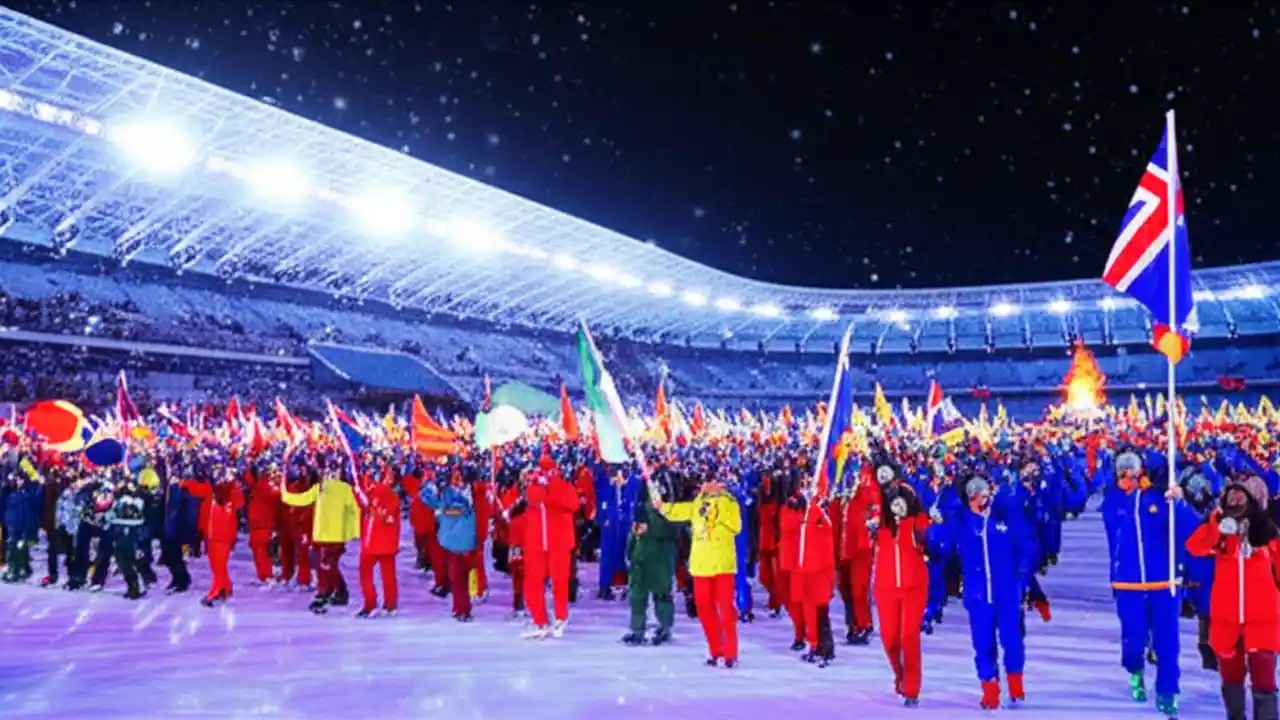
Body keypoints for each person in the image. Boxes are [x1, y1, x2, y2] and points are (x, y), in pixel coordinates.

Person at [1101, 449, 1198, 718]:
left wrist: (1177, 503)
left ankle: (1168, 690)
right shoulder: (1112, 502)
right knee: (1133, 640)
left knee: (1168, 641)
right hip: (1128, 585)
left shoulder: (1158, 498)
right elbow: (1116, 525)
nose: (1127, 479)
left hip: (1163, 583)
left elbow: (1189, 528)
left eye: (1132, 473)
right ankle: (1135, 670)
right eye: (1122, 474)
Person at [1186, 475, 1280, 720]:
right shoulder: (1221, 530)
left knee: (1263, 675)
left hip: (1263, 617)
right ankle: (1235, 715)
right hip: (1226, 617)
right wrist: (1215, 523)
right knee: (1231, 676)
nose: (1237, 504)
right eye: (1232, 498)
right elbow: (1195, 547)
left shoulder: (1268, 532)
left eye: (1241, 499)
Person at [957, 476, 1037, 709]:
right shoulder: (964, 522)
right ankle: (989, 689)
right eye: (975, 498)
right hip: (979, 596)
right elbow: (944, 536)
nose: (980, 502)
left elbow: (1027, 544)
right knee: (983, 644)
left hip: (1007, 593)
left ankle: (1015, 684)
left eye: (983, 496)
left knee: (1012, 641)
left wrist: (1021, 574)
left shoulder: (1003, 518)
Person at [654, 477, 742, 667]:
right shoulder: (698, 502)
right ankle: (715, 650)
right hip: (701, 565)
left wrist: (718, 509)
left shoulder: (730, 503)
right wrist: (662, 506)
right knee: (704, 608)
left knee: (726, 609)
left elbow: (736, 526)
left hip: (722, 564)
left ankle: (730, 652)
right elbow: (679, 511)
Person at [873, 471, 929, 707]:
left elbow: (937, 539)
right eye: (894, 504)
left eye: (902, 503)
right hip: (886, 589)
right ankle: (900, 674)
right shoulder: (882, 528)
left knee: (909, 637)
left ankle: (912, 687)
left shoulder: (919, 524)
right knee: (889, 639)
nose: (898, 508)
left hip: (913, 588)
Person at [281, 455, 360, 614]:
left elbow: (356, 510)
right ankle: (338, 591)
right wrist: (284, 491)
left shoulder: (344, 489)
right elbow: (301, 499)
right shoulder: (320, 488)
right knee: (324, 564)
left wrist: (353, 531)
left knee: (326, 565)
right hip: (321, 535)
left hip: (335, 535)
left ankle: (326, 593)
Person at [521, 450, 579, 639]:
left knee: (560, 583)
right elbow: (534, 499)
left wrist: (552, 487)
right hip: (537, 544)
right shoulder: (533, 487)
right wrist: (539, 486)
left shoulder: (564, 486)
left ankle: (561, 618)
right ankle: (540, 620)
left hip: (559, 543)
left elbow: (573, 504)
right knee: (532, 583)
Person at [622, 481, 676, 646]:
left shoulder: (666, 507)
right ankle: (638, 628)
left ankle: (664, 627)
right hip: (641, 554)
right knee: (637, 595)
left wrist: (649, 528)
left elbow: (670, 530)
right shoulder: (641, 504)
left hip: (660, 555)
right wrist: (630, 549)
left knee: (661, 593)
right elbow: (635, 529)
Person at [182, 465, 244, 606]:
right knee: (216, 565)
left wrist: (232, 486)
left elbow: (238, 503)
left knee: (218, 566)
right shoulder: (212, 490)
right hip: (212, 534)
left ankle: (214, 592)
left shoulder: (232, 492)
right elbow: (197, 489)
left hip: (223, 536)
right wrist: (184, 481)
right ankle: (226, 588)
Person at [420, 470, 476, 621]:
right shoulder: (449, 494)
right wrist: (429, 486)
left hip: (462, 542)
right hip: (454, 541)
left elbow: (460, 510)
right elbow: (428, 500)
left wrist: (442, 511)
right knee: (455, 577)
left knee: (460, 577)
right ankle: (459, 608)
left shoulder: (465, 495)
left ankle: (463, 609)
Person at [354, 462, 401, 618]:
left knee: (368, 573)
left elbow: (386, 517)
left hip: (374, 542)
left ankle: (372, 604)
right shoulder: (378, 492)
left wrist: (374, 508)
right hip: (383, 543)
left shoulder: (381, 493)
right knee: (387, 575)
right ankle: (389, 604)